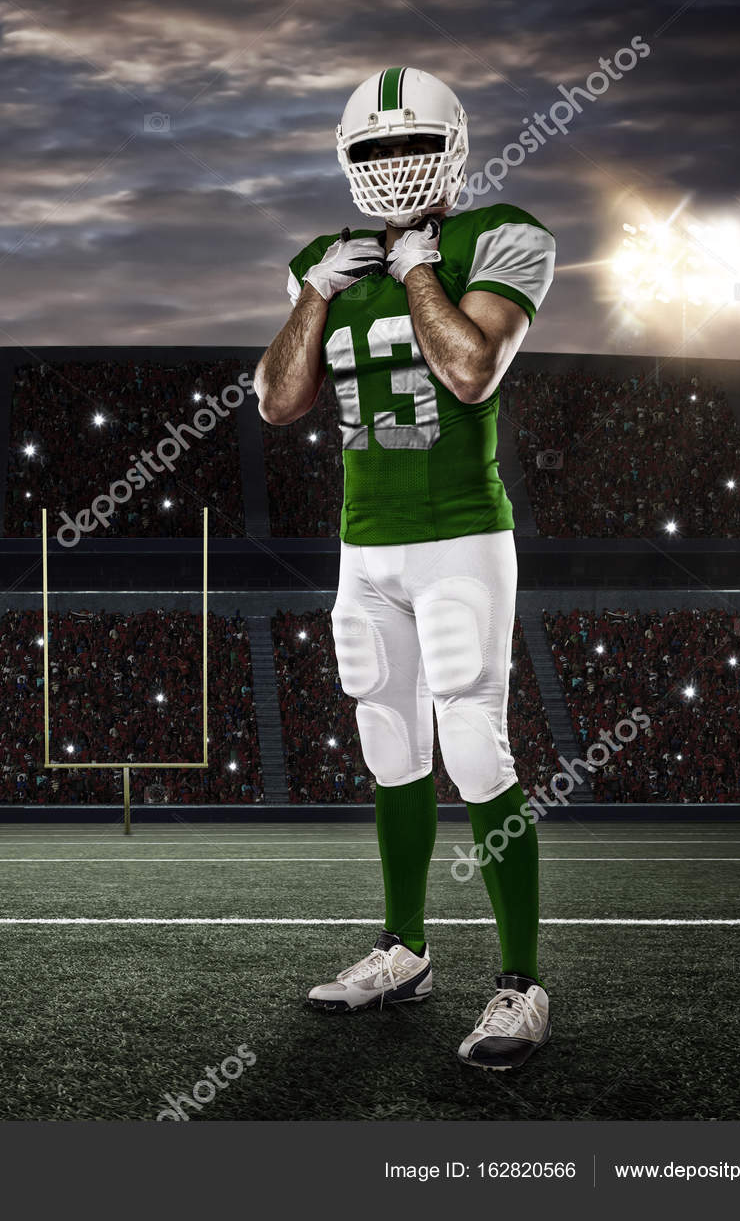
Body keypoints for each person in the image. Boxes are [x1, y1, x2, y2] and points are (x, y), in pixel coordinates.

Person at [254, 66, 557, 1070]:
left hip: (462, 535)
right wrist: (313, 292)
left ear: (453, 147)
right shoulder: (323, 262)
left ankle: (519, 985)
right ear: (348, 160)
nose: (393, 167)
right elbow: (277, 400)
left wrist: (418, 271)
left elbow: (470, 368)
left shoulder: (503, 235)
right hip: (364, 543)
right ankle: (405, 949)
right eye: (375, 151)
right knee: (387, 740)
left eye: (409, 146)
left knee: (475, 752)